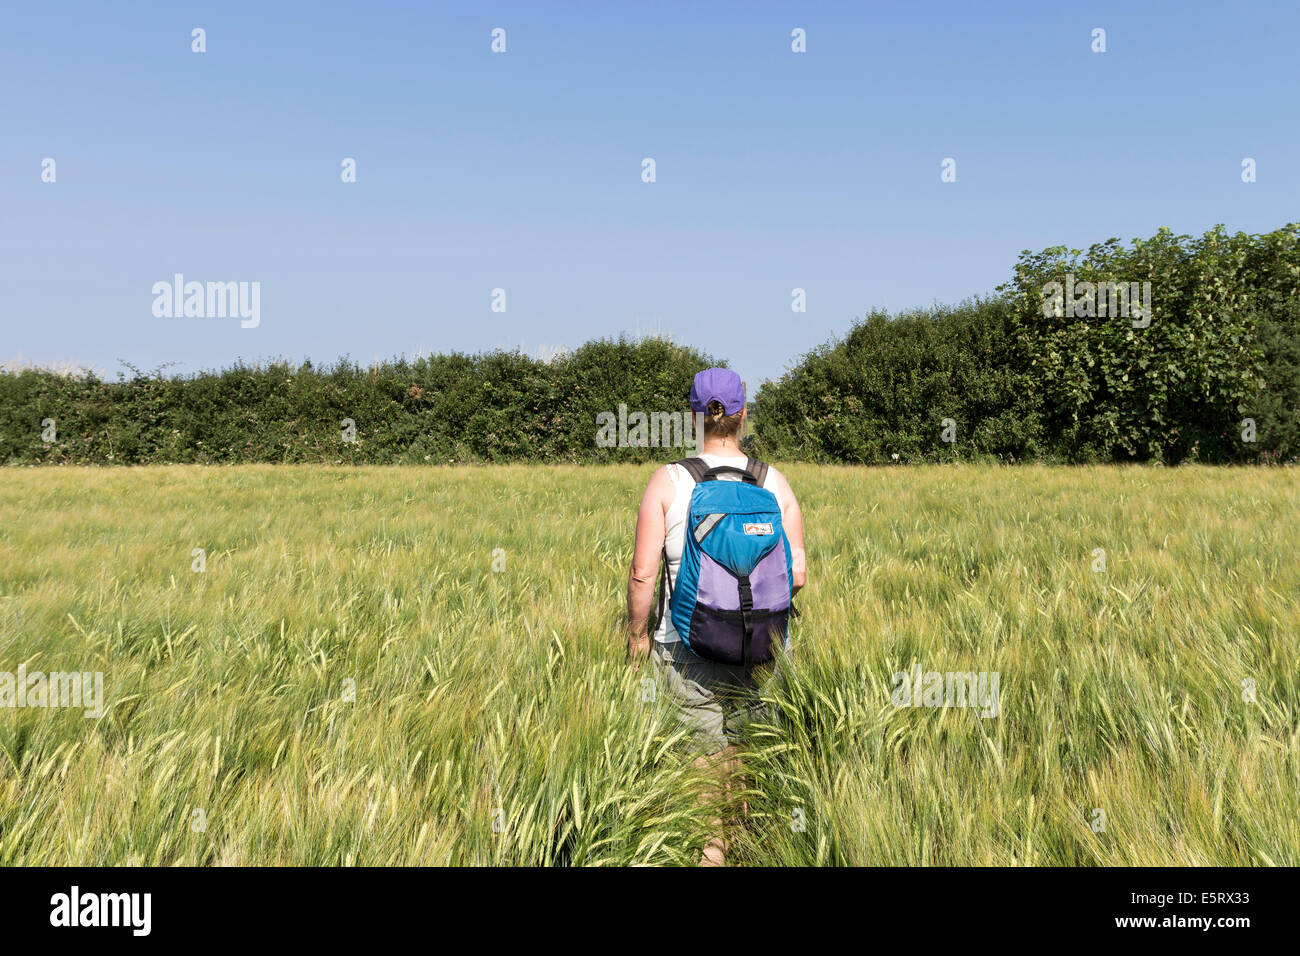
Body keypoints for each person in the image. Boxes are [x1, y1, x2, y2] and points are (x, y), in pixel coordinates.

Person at [626, 366, 806, 866]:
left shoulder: (668, 481)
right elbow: (797, 576)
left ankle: (712, 854)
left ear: (695, 416)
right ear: (743, 413)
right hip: (762, 644)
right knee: (749, 744)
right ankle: (750, 841)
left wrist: (638, 636)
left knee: (703, 757)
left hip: (687, 643)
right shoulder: (774, 482)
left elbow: (644, 574)